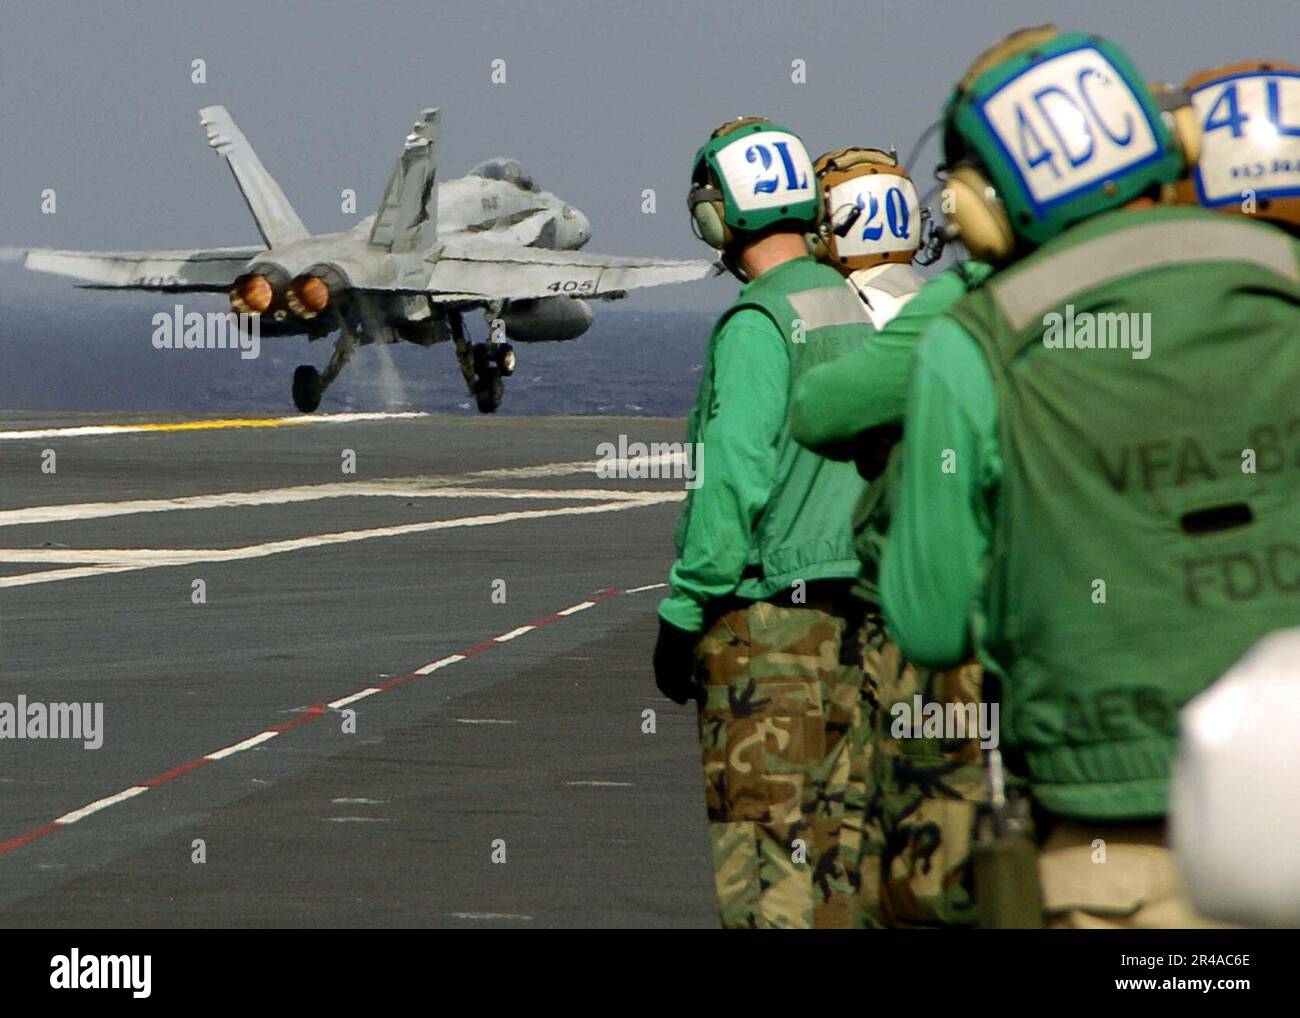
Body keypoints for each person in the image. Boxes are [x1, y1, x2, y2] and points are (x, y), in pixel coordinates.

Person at [881, 26, 1300, 927]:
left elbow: (929, 615)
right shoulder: (1286, 278)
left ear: (986, 202)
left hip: (1115, 840)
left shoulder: (973, 342)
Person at [653, 117, 877, 928]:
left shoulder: (758, 324)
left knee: (766, 877)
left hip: (767, 639)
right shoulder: (846, 305)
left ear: (721, 216)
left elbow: (731, 483)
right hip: (853, 629)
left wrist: (682, 614)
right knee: (837, 874)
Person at [795, 148, 993, 927]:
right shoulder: (933, 294)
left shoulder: (837, 312)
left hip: (894, 605)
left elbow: (817, 414)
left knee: (871, 816)